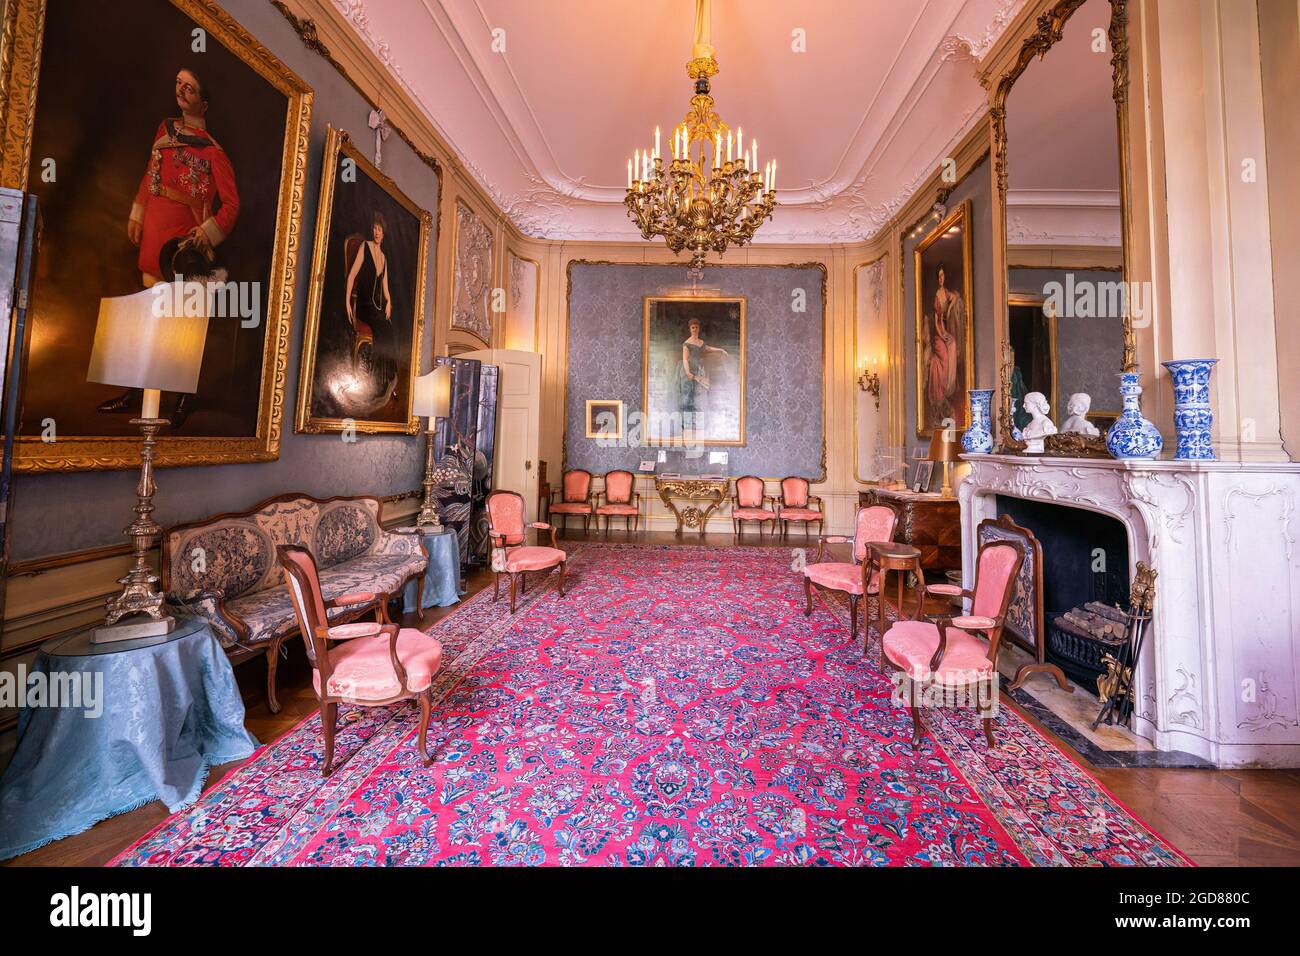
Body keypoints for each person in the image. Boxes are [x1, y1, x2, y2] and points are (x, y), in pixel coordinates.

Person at [102, 67, 241, 427]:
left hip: (182, 241)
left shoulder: (214, 153)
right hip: (154, 229)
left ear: (204, 102)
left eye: (190, 88)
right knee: (146, 317)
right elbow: (151, 174)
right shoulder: (163, 131)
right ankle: (136, 393)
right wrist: (138, 211)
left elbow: (232, 205)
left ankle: (181, 400)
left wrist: (206, 233)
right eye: (179, 84)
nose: (181, 91)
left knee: (181, 327)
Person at [344, 210, 396, 401]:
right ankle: (377, 384)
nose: (376, 232)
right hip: (364, 305)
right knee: (383, 328)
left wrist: (389, 302)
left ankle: (386, 380)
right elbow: (351, 276)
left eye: (379, 229)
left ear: (384, 234)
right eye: (374, 228)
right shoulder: (364, 247)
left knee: (388, 329)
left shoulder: (383, 258)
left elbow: (385, 287)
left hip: (376, 307)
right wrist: (348, 302)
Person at [675, 317, 729, 435]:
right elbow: (685, 359)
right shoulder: (686, 344)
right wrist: (688, 372)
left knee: (698, 398)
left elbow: (708, 348)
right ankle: (687, 427)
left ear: (699, 329)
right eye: (692, 327)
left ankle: (697, 426)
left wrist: (720, 350)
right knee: (688, 398)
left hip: (699, 371)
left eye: (696, 327)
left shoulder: (700, 342)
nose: (694, 329)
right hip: (688, 372)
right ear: (690, 329)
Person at [925, 262, 963, 427]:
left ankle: (950, 385)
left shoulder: (946, 292)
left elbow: (954, 299)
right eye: (939, 276)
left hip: (945, 330)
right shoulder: (937, 295)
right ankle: (943, 388)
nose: (941, 278)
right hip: (937, 333)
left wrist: (954, 302)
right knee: (945, 351)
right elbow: (937, 319)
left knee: (953, 344)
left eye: (943, 275)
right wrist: (942, 335)